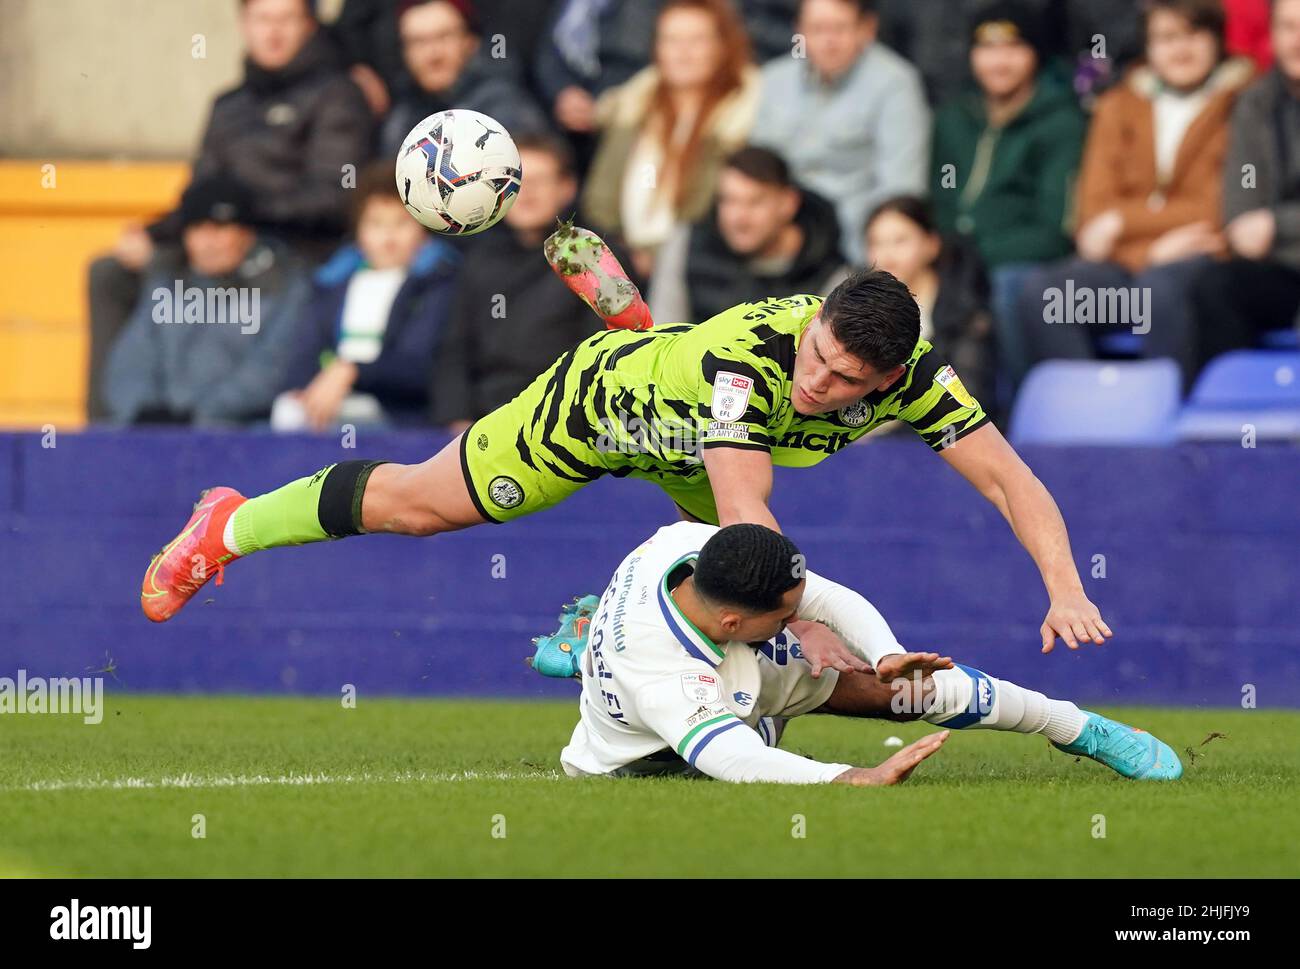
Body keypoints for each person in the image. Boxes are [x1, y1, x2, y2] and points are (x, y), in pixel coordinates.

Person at [141, 261, 1112, 669]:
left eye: (845, 378)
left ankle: (613, 628)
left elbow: (1010, 482)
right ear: (813, 318)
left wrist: (1064, 589)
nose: (817, 382)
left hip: (705, 444)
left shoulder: (918, 383)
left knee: (740, 582)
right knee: (418, 507)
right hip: (603, 410)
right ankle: (226, 525)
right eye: (814, 355)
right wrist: (809, 628)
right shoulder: (755, 361)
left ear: (891, 375)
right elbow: (742, 509)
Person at [557, 522, 1183, 783]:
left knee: (917, 688)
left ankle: (1079, 727)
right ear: (732, 617)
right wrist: (852, 777)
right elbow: (732, 759)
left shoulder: (689, 541)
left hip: (730, 662)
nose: (800, 619)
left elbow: (831, 600)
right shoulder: (661, 669)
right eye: (786, 616)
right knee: (750, 748)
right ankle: (593, 658)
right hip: (655, 756)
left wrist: (886, 655)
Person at [86, 0, 373, 419]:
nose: (273, 32)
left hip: (298, 251)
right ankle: (114, 426)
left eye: (286, 19)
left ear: (309, 26)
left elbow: (335, 196)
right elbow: (199, 193)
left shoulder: (339, 95)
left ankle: (215, 419)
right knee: (111, 271)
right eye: (262, 19)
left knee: (224, 285)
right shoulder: (228, 104)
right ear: (244, 24)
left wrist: (241, 214)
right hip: (229, 237)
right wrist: (153, 233)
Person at [1018, 0, 1254, 385]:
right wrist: (1149, 252)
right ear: (1148, 46)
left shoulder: (1242, 101)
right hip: (1125, 275)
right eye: (1166, 37)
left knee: (1158, 289)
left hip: (1203, 260)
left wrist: (1123, 221)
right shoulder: (1117, 105)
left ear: (1216, 40)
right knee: (1044, 294)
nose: (1180, 49)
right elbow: (1092, 213)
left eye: (1194, 34)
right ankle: (1086, 418)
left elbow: (1216, 208)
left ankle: (1169, 427)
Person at [930, 1, 1087, 387]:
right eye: (987, 49)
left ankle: (1016, 421)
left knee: (1009, 288)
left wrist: (974, 258)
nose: (999, 62)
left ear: (1035, 54)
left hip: (1020, 262)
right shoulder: (954, 117)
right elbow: (939, 199)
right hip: (952, 255)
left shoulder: (1062, 121)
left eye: (1013, 49)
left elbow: (1055, 228)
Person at [430, 134, 608, 430]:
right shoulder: (478, 258)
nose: (528, 192)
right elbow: (453, 350)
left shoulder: (592, 254)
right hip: (483, 423)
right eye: (517, 181)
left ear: (567, 188)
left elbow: (604, 351)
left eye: (540, 180)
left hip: (566, 423)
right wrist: (457, 421)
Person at [102, 177, 310, 427]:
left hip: (243, 434)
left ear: (247, 234)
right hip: (157, 431)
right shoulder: (167, 283)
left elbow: (270, 370)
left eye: (220, 229)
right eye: (197, 229)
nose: (208, 242)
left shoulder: (283, 288)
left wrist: (198, 417)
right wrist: (145, 413)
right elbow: (131, 361)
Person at [273, 163, 460, 431]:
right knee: (287, 413)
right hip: (329, 405)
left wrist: (353, 372)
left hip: (396, 413)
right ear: (358, 231)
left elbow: (419, 368)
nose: (388, 237)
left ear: (424, 230)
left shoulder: (436, 284)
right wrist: (301, 390)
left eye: (401, 223)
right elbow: (303, 354)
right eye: (376, 224)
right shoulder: (332, 282)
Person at [581, 0, 761, 276]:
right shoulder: (634, 107)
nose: (683, 52)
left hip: (703, 272)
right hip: (621, 268)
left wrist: (663, 258)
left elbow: (720, 214)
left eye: (697, 40)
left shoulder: (743, 117)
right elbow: (600, 200)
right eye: (671, 40)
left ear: (723, 46)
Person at [751, 0, 930, 264]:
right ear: (798, 30)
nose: (828, 41)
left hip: (853, 250)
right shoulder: (772, 80)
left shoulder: (896, 84)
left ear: (867, 29)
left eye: (839, 28)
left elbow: (900, 190)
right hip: (782, 243)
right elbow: (756, 172)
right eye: (817, 29)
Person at [1188, 0, 1300, 379]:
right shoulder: (1256, 102)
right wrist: (1262, 229)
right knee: (1216, 284)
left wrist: (1277, 225)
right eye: (1288, 27)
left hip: (1281, 242)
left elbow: (1261, 225)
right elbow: (1241, 219)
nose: (1297, 40)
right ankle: (1237, 415)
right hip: (1282, 268)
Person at [649, 146, 846, 324]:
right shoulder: (687, 244)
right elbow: (662, 334)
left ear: (788, 203)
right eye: (729, 201)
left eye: (755, 202)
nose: (738, 217)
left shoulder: (832, 277)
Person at [864, 196, 995, 410]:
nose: (886, 255)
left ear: (932, 244)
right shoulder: (857, 313)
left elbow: (967, 401)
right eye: (876, 243)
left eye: (900, 241)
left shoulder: (967, 316)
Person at [378, 0, 547, 158]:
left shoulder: (505, 106)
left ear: (471, 42)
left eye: (444, 37)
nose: (433, 54)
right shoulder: (401, 116)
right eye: (418, 42)